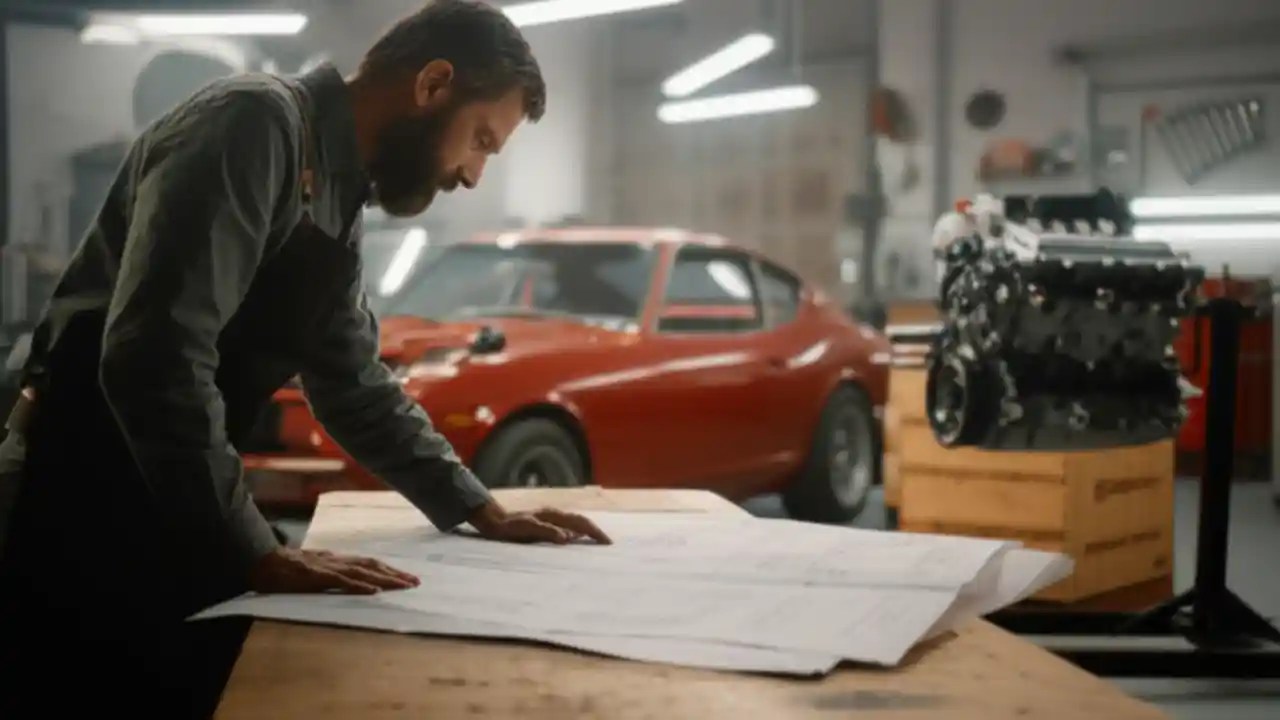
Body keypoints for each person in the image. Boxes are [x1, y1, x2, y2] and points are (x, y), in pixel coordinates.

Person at [0, 1, 609, 716]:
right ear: (433, 84)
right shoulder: (253, 125)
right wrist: (254, 549)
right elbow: (154, 357)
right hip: (69, 505)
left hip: (159, 508)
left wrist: (476, 507)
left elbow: (353, 382)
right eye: (480, 140)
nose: (472, 175)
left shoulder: (339, 196)